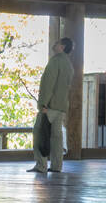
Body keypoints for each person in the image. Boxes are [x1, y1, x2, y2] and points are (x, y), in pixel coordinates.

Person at [28, 36, 74, 175]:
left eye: (58, 42)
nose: (55, 44)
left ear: (63, 47)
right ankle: (56, 166)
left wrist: (43, 104)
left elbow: (49, 84)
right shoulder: (69, 65)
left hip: (50, 106)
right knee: (56, 138)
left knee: (39, 133)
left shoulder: (56, 61)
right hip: (61, 106)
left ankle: (41, 165)